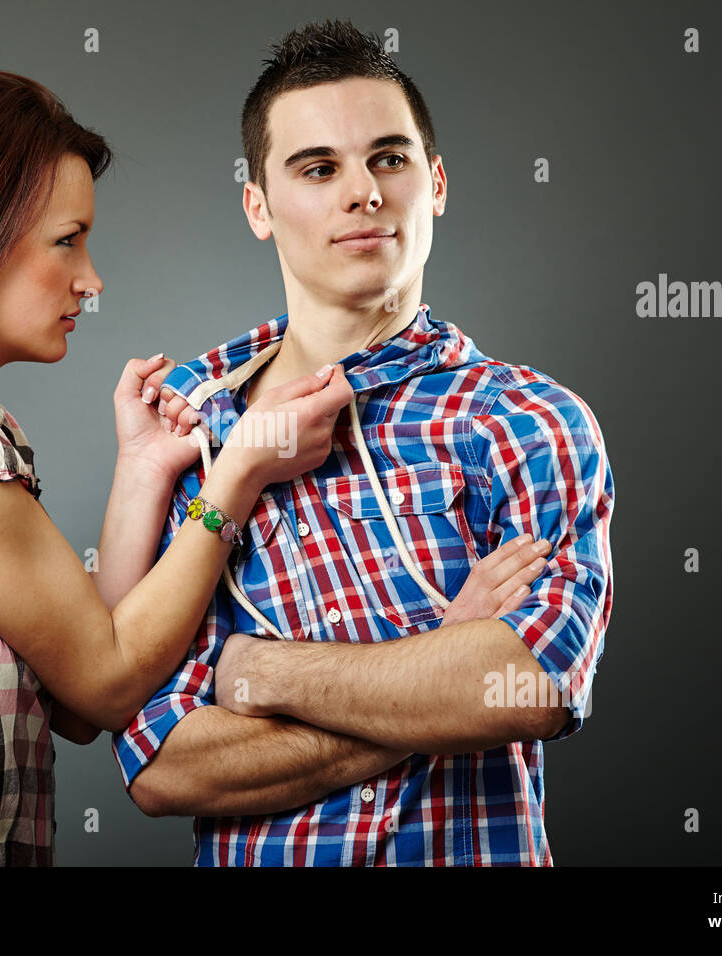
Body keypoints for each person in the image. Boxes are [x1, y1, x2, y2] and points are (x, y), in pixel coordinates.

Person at [0, 68, 382, 865]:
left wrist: (141, 467)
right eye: (67, 241)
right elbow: (108, 682)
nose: (90, 280)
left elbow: (71, 697)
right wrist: (238, 476)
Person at [116, 20, 615, 866]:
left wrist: (267, 674)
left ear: (437, 183)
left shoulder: (527, 418)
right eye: (318, 168)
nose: (365, 193)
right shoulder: (192, 426)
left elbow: (526, 688)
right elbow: (164, 765)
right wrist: (434, 673)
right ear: (259, 208)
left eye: (390, 159)